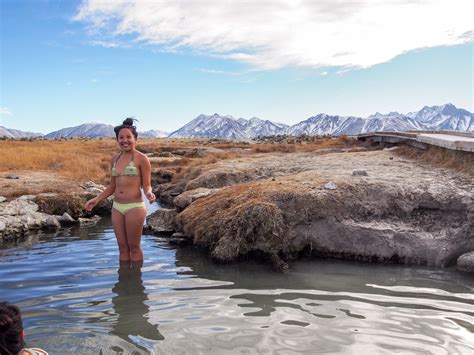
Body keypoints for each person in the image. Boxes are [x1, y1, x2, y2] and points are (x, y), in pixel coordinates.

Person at [84, 118, 155, 261]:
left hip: (134, 207)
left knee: (134, 247)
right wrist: (96, 199)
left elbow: (147, 184)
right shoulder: (115, 159)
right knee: (122, 247)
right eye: (121, 137)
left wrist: (148, 193)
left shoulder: (142, 159)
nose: (125, 140)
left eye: (128, 137)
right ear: (117, 140)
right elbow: (112, 186)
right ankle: (123, 281)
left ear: (135, 138)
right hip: (117, 207)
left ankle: (135, 281)